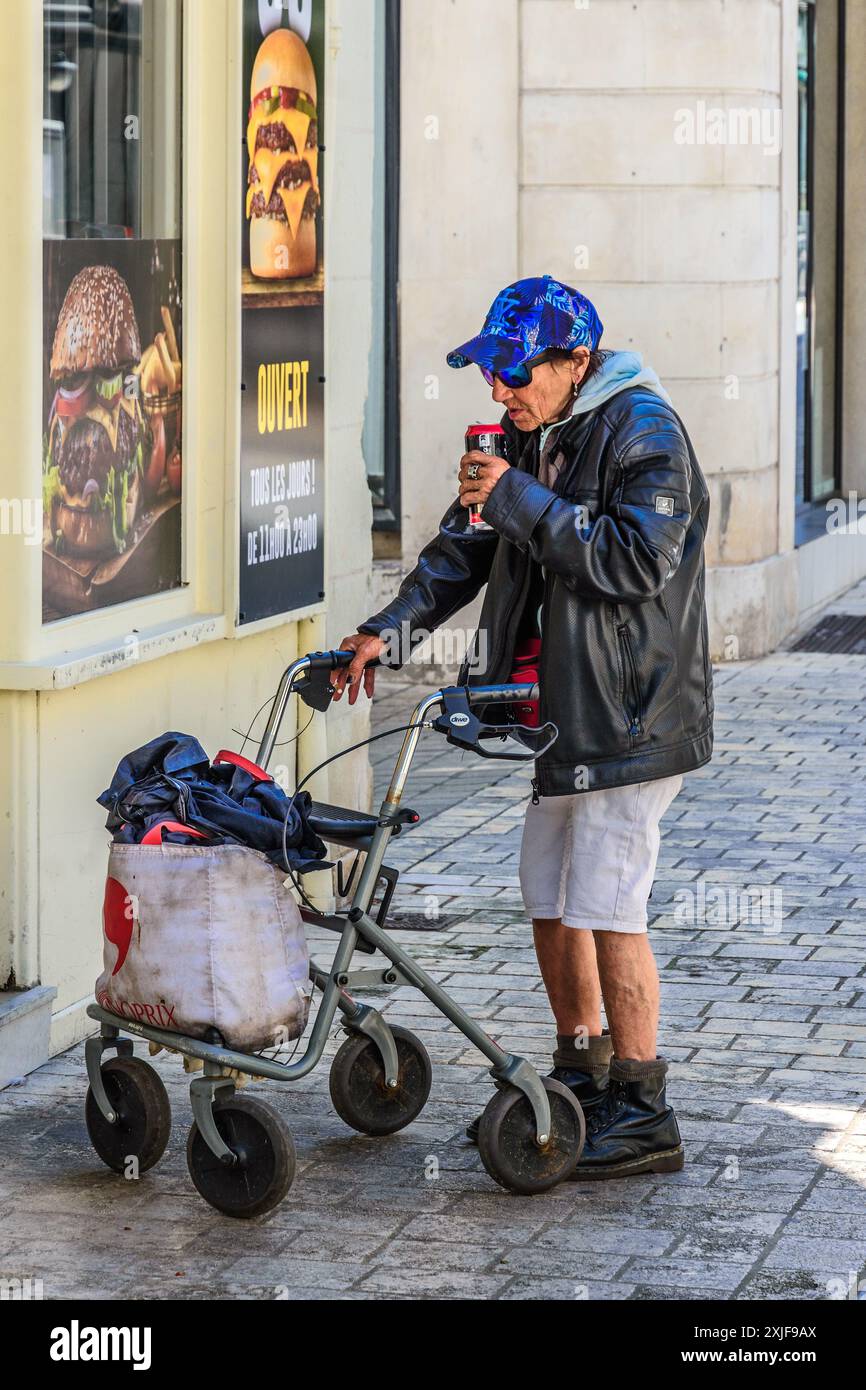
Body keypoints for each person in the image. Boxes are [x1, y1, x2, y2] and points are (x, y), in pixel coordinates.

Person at [331, 275, 713, 1179]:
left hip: (631, 710)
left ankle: (644, 1108)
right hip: (558, 712)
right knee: (547, 890)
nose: (499, 392)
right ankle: (578, 1072)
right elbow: (462, 548)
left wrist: (519, 501)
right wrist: (388, 632)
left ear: (576, 361)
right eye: (490, 374)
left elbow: (634, 560)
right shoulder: (525, 433)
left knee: (608, 903)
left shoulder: (645, 431)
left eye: (513, 373)